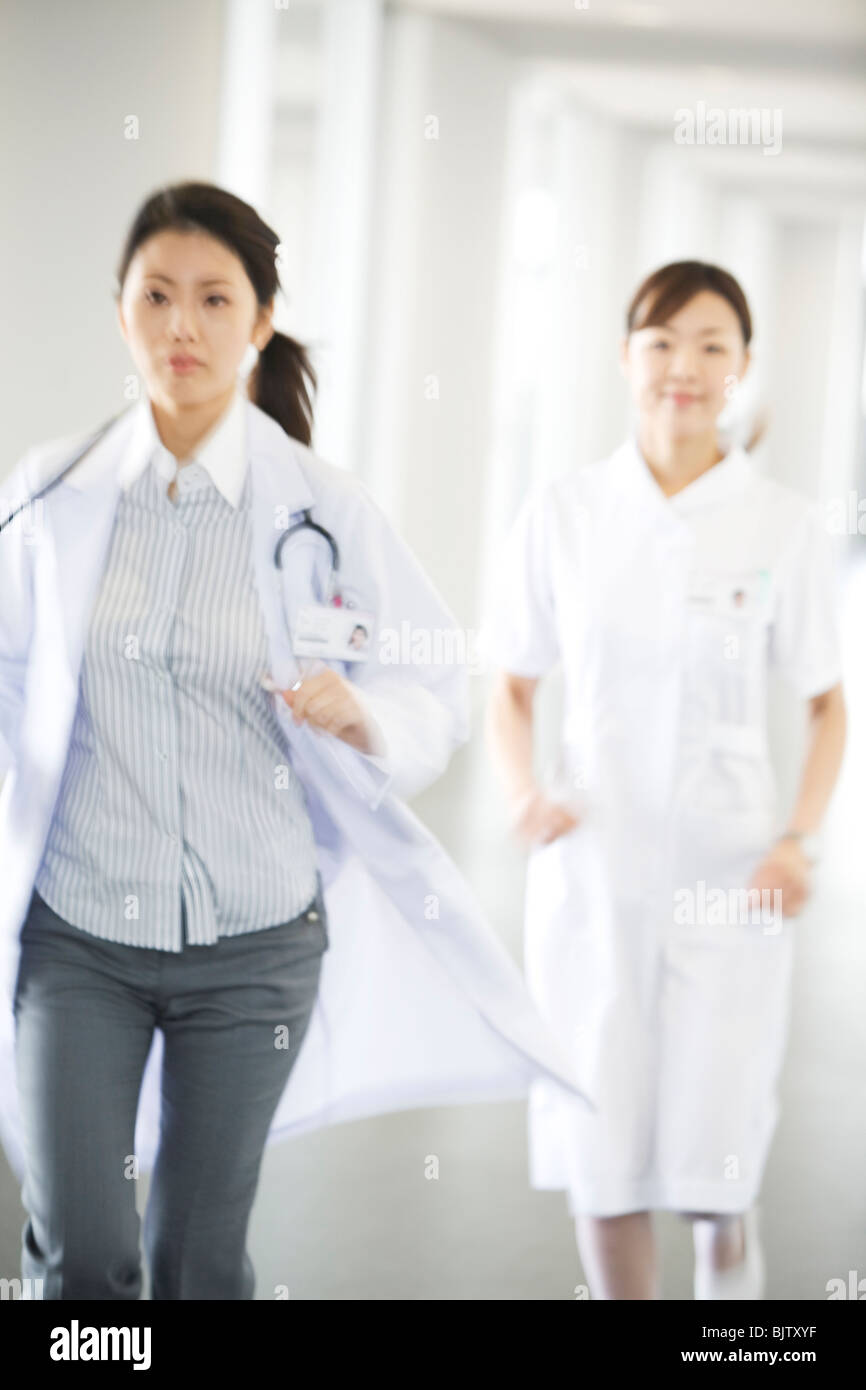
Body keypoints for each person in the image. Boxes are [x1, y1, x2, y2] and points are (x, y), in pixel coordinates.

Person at [0, 180, 590, 1300]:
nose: (182, 325)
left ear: (261, 321)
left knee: (197, 1258)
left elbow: (430, 679)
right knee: (78, 1248)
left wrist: (365, 715)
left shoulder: (323, 507)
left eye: (215, 299)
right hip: (78, 933)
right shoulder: (47, 496)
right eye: (156, 296)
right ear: (120, 310)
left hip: (254, 942)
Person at [483, 260, 847, 1300]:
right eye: (661, 343)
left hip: (731, 877)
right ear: (625, 356)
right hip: (593, 870)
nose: (682, 366)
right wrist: (521, 792)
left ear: (740, 367)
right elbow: (510, 682)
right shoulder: (564, 511)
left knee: (714, 1167)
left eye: (710, 346)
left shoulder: (779, 522)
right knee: (600, 1153)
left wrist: (798, 838)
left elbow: (827, 704)